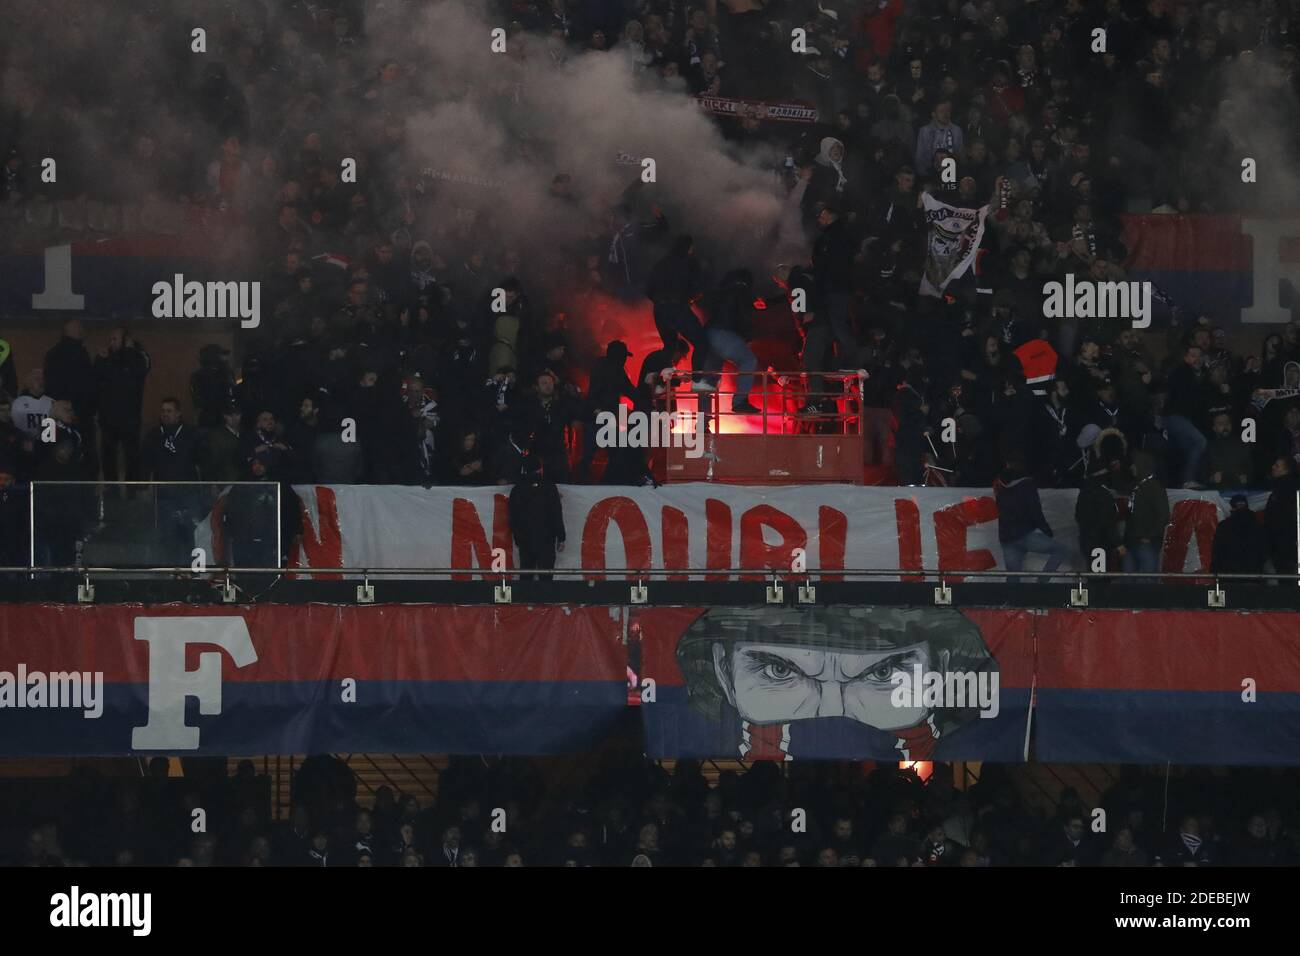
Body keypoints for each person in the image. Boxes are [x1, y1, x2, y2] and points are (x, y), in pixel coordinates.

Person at [993, 452, 1070, 582]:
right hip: (1026, 535)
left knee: (1013, 578)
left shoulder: (999, 486)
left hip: (1006, 538)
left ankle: (1011, 601)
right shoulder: (1027, 485)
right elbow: (1036, 512)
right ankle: (1040, 583)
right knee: (1060, 550)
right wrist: (1048, 531)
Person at [94, 328, 151, 487]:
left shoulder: (138, 357)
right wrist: (101, 359)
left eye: (115, 339)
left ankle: (132, 490)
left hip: (130, 418)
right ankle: (111, 490)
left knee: (132, 456)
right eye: (110, 339)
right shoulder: (106, 358)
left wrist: (129, 350)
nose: (111, 343)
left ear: (125, 340)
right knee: (108, 457)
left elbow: (141, 370)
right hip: (108, 418)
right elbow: (97, 381)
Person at [508, 452, 565, 580]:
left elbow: (513, 517)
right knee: (546, 576)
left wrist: (517, 537)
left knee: (526, 574)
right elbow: (556, 513)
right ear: (540, 469)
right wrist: (561, 537)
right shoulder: (550, 488)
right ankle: (545, 599)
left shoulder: (517, 490)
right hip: (546, 539)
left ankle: (525, 599)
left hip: (525, 539)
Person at [1123, 450, 1170, 578]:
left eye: (1134, 464)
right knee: (1126, 584)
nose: (1132, 467)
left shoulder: (1155, 487)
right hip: (1131, 543)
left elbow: (1164, 515)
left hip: (1146, 544)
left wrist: (1149, 536)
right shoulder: (1135, 486)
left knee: (1146, 583)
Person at [1210, 495, 1268, 577]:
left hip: (1228, 574)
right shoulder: (1258, 526)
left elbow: (1217, 551)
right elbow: (1264, 552)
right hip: (1252, 573)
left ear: (1232, 508)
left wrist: (1215, 569)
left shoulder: (1224, 526)